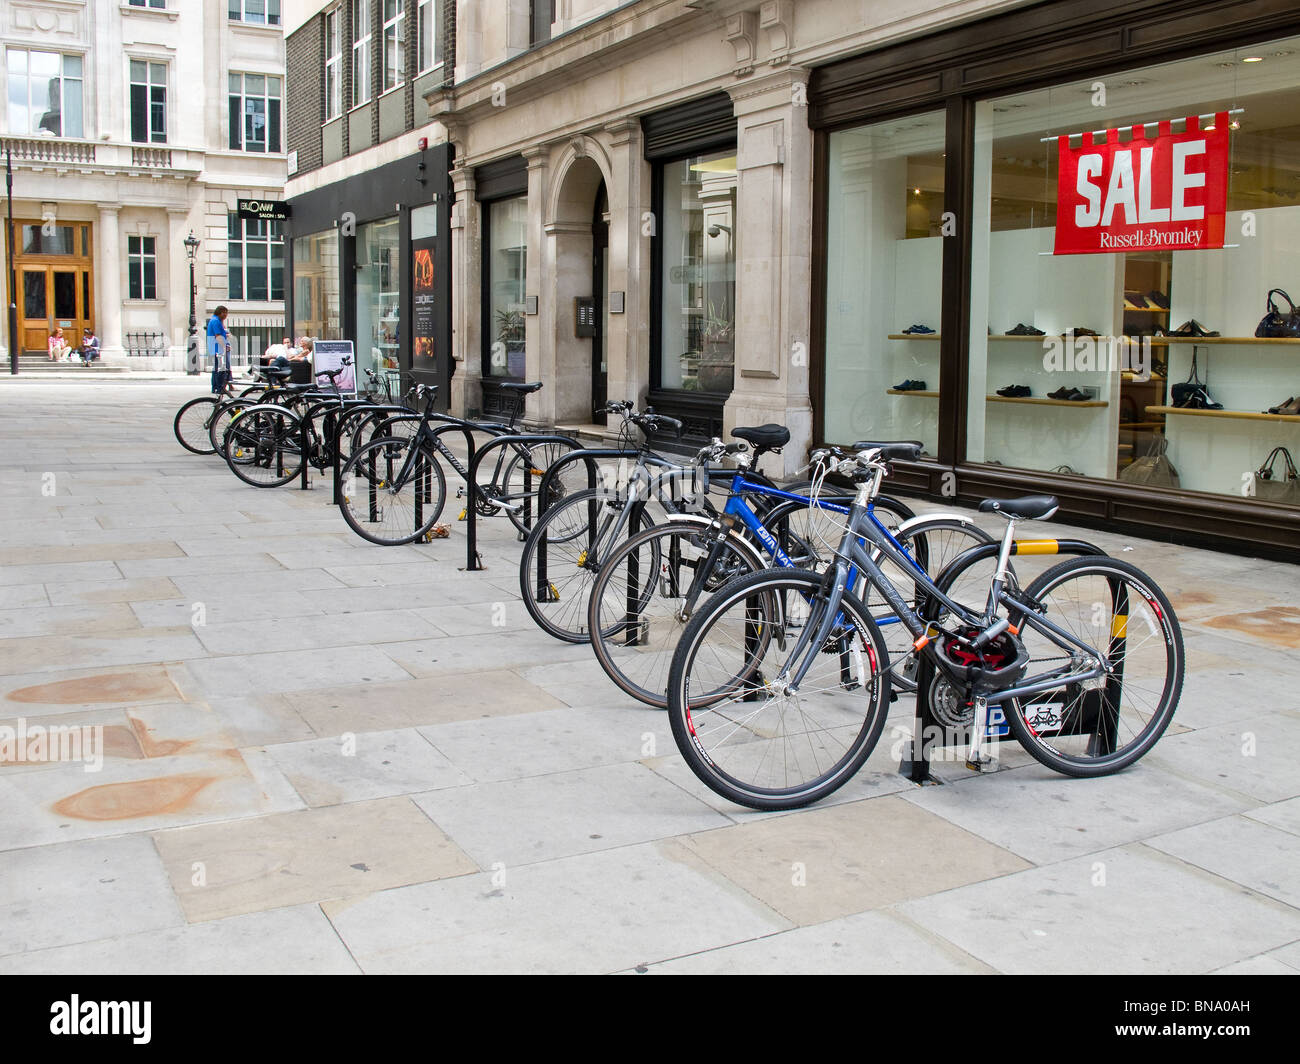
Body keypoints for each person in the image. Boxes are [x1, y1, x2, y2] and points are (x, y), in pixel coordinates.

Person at [207, 306, 231, 393]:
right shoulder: (216, 321)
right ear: (220, 312)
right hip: (217, 348)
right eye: (225, 313)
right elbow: (218, 336)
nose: (226, 315)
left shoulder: (215, 320)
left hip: (214, 347)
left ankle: (215, 387)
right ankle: (218, 388)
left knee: (216, 368)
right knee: (219, 369)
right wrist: (225, 346)